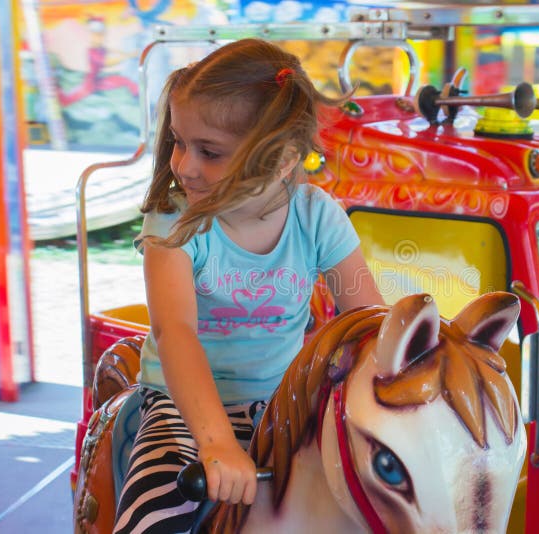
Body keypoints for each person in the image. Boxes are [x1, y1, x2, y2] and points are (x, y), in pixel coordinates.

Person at [113, 39, 383, 533]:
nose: (185, 165)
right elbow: (176, 333)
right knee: (158, 512)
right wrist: (215, 441)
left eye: (210, 152)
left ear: (282, 160)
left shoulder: (316, 216)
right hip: (182, 405)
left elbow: (368, 324)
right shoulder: (174, 221)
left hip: (286, 405)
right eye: (179, 141)